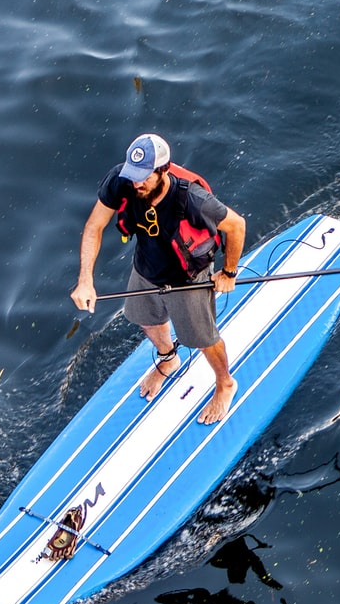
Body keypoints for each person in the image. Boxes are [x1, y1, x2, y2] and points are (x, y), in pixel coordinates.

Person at [70, 133, 247, 424]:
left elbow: (237, 225)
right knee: (146, 320)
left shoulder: (192, 198)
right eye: (133, 175)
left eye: (144, 177)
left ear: (162, 170)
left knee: (202, 338)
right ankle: (168, 359)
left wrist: (228, 272)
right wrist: (85, 280)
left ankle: (225, 383)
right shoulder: (122, 180)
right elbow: (94, 226)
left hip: (186, 276)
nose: (136, 183)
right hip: (146, 267)